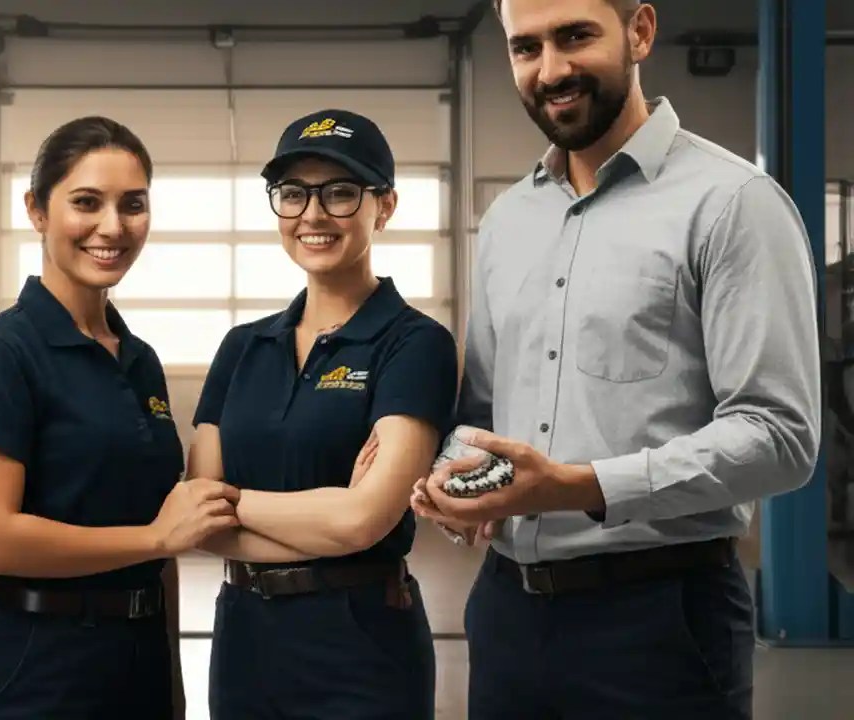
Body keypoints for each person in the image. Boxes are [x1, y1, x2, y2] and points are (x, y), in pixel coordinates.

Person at [411, 1, 821, 718]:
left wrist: (575, 487)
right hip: (507, 615)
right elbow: (483, 412)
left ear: (640, 32)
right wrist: (452, 480)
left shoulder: (732, 204)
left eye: (575, 36)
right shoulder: (509, 220)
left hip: (660, 623)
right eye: (526, 47)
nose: (551, 70)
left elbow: (779, 437)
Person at [0, 115, 239, 720]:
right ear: (37, 210)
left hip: (138, 663)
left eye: (133, 204)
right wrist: (155, 539)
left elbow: (164, 531)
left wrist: (173, 685)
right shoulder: (0, 355)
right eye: (86, 202)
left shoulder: (139, 360)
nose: (113, 226)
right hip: (38, 670)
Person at [188, 108, 458, 719]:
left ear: (384, 207)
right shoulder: (242, 347)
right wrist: (331, 514)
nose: (312, 214)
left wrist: (233, 501)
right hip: (244, 638)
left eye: (339, 193)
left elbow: (363, 521)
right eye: (294, 194)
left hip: (360, 639)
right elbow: (194, 520)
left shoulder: (415, 343)